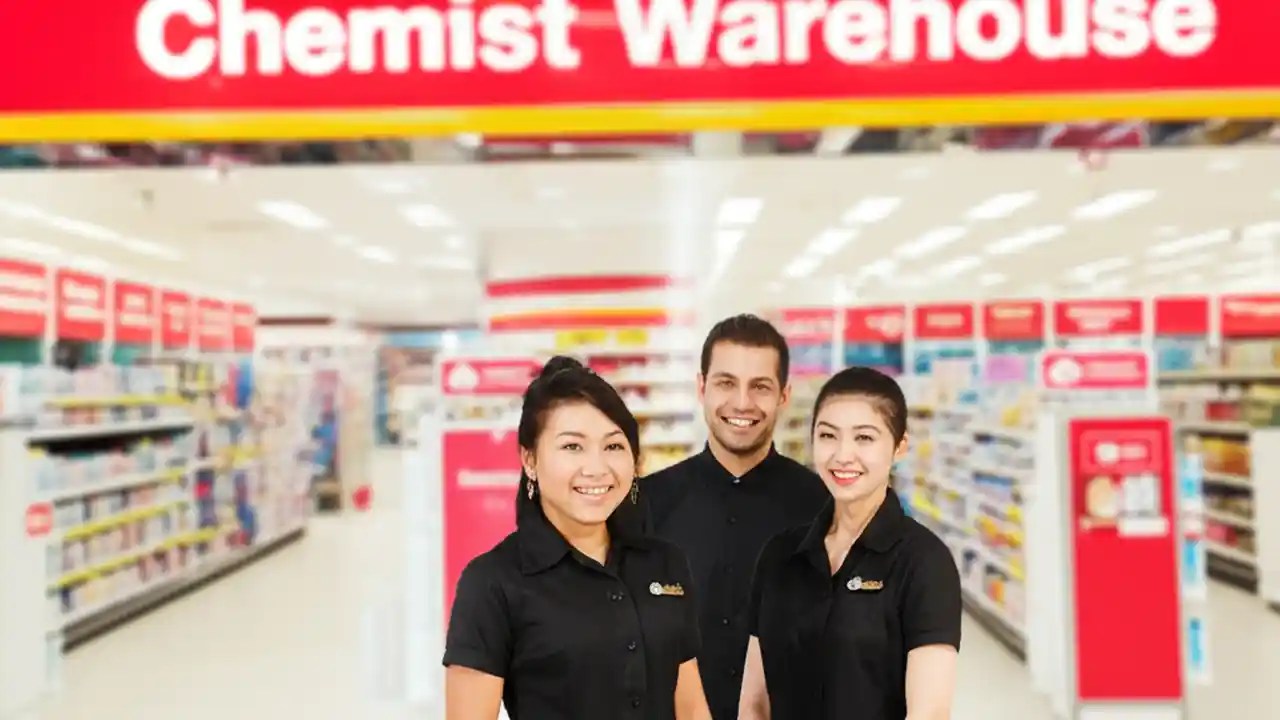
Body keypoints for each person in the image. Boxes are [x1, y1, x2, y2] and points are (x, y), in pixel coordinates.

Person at [443, 356, 713, 720]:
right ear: (530, 460)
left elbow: (692, 709)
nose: (596, 468)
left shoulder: (665, 562)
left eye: (613, 446)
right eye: (573, 447)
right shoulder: (493, 582)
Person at [738, 366, 962, 720]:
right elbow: (754, 703)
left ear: (899, 446)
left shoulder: (924, 562)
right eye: (828, 436)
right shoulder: (779, 555)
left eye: (864, 438)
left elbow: (929, 713)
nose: (843, 455)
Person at [640, 315, 828, 720]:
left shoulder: (822, 507)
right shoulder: (647, 503)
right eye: (726, 383)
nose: (742, 403)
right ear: (701, 387)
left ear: (783, 396)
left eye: (760, 386)